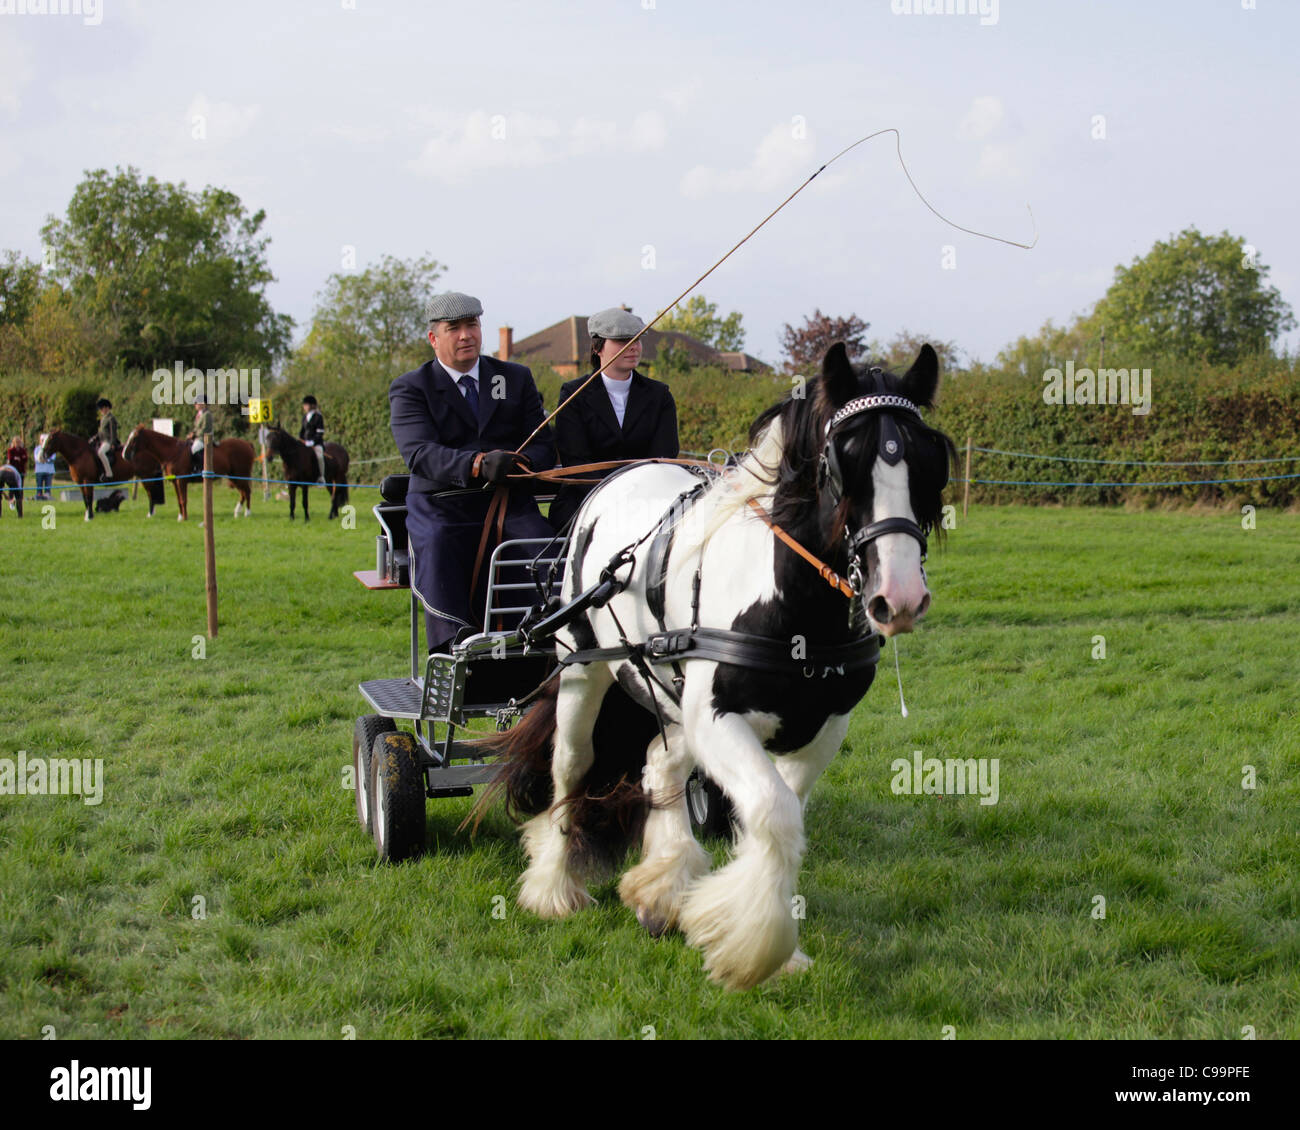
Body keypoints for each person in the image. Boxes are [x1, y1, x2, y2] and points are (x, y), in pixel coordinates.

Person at [389, 291, 556, 654]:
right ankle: (455, 650)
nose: (466, 335)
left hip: (508, 501)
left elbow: (544, 443)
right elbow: (419, 453)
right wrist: (477, 464)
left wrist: (521, 464)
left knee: (541, 543)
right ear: (434, 338)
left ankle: (537, 639)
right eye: (455, 328)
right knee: (437, 542)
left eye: (472, 325)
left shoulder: (516, 378)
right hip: (441, 503)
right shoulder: (411, 387)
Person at [547, 307, 679, 533]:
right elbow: (576, 461)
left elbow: (664, 456)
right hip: (586, 499)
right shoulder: (573, 394)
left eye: (637, 340)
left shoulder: (660, 395)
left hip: (647, 498)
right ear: (598, 347)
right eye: (622, 341)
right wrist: (613, 501)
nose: (633, 347)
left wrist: (637, 499)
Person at [300, 396, 326, 483]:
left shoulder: (318, 417)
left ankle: (321, 477)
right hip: (305, 443)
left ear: (312, 405)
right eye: (304, 405)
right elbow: (302, 431)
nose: (304, 407)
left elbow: (320, 433)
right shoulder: (305, 417)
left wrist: (312, 442)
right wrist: (300, 440)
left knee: (319, 456)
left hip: (316, 443)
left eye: (306, 405)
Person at [94, 399, 118, 481]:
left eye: (102, 408)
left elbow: (113, 432)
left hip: (108, 441)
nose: (101, 410)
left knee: (100, 452)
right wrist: (94, 438)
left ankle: (109, 473)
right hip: (101, 441)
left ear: (107, 408)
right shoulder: (103, 418)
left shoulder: (111, 418)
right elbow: (101, 431)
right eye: (100, 409)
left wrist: (112, 443)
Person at [188, 396, 216, 460]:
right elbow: (196, 428)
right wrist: (191, 433)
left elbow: (205, 429)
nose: (195, 404)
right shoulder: (199, 414)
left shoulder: (207, 414)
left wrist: (194, 435)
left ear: (203, 404)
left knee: (193, 450)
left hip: (205, 439)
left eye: (196, 403)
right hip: (198, 438)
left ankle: (198, 468)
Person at [4, 435, 27, 509]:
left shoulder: (23, 450)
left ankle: (19, 501)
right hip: (13, 472)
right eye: (16, 442)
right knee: (12, 487)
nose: (18, 443)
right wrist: (15, 458)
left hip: (21, 471)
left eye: (19, 442)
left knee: (20, 487)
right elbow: (10, 459)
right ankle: (11, 501)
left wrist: (19, 458)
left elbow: (25, 458)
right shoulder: (10, 450)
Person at [33, 433, 55, 501]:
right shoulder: (37, 449)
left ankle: (47, 496)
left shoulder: (51, 448)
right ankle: (39, 496)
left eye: (44, 440)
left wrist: (45, 460)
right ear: (40, 441)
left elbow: (53, 457)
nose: (43, 441)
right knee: (39, 485)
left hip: (49, 470)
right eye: (42, 440)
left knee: (48, 485)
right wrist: (43, 460)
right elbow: (36, 458)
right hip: (39, 471)